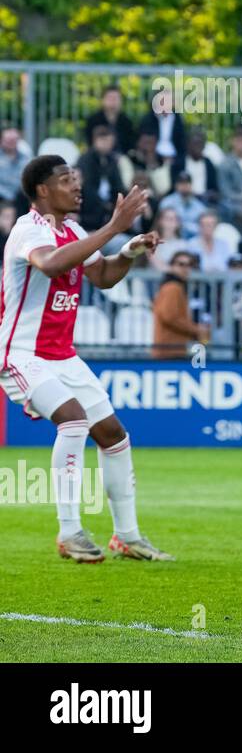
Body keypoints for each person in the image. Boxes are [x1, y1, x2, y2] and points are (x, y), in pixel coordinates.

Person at [0, 158, 170, 561]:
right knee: (74, 421)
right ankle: (70, 532)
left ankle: (126, 536)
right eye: (65, 180)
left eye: (76, 179)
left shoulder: (72, 230)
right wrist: (114, 227)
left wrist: (129, 249)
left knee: (114, 435)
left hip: (62, 356)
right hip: (20, 353)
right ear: (42, 191)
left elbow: (104, 276)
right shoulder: (28, 230)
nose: (76, 186)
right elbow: (53, 263)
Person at [152, 251, 209, 359]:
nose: (185, 268)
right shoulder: (173, 288)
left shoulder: (174, 287)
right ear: (171, 266)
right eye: (181, 264)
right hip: (169, 351)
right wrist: (197, 330)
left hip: (171, 349)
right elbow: (170, 317)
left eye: (189, 265)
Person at [75, 125, 127, 231]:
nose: (108, 145)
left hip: (108, 205)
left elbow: (118, 185)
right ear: (96, 140)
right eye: (104, 141)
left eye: (110, 142)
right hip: (90, 208)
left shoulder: (112, 160)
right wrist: (103, 205)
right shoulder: (86, 160)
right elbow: (88, 187)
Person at [171, 128, 220, 209]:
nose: (198, 147)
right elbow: (174, 186)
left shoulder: (208, 163)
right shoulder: (179, 163)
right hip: (183, 199)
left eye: (200, 144)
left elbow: (214, 188)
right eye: (195, 144)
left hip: (206, 201)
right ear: (187, 145)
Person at [84, 84, 137, 154]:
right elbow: (90, 143)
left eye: (116, 98)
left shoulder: (126, 122)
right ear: (103, 100)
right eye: (110, 98)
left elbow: (130, 145)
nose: (113, 101)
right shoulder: (93, 121)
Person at [139, 86, 187, 161]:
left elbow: (182, 143)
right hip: (154, 158)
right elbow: (145, 142)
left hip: (174, 157)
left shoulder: (177, 119)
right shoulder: (148, 119)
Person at [158, 171, 206, 239]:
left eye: (187, 183)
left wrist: (185, 226)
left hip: (193, 243)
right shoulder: (166, 202)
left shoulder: (199, 206)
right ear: (176, 185)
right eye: (181, 183)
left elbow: (203, 228)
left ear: (191, 185)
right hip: (171, 240)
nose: (184, 186)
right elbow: (161, 226)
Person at [125, 132, 172, 197]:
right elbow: (127, 185)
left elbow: (163, 189)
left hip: (153, 200)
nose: (148, 147)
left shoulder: (161, 161)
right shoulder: (130, 158)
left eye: (151, 143)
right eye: (146, 142)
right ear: (138, 143)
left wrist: (151, 162)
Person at [0, 127, 31, 203]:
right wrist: (9, 196)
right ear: (1, 140)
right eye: (8, 140)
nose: (11, 143)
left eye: (14, 140)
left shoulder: (26, 158)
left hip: (20, 197)